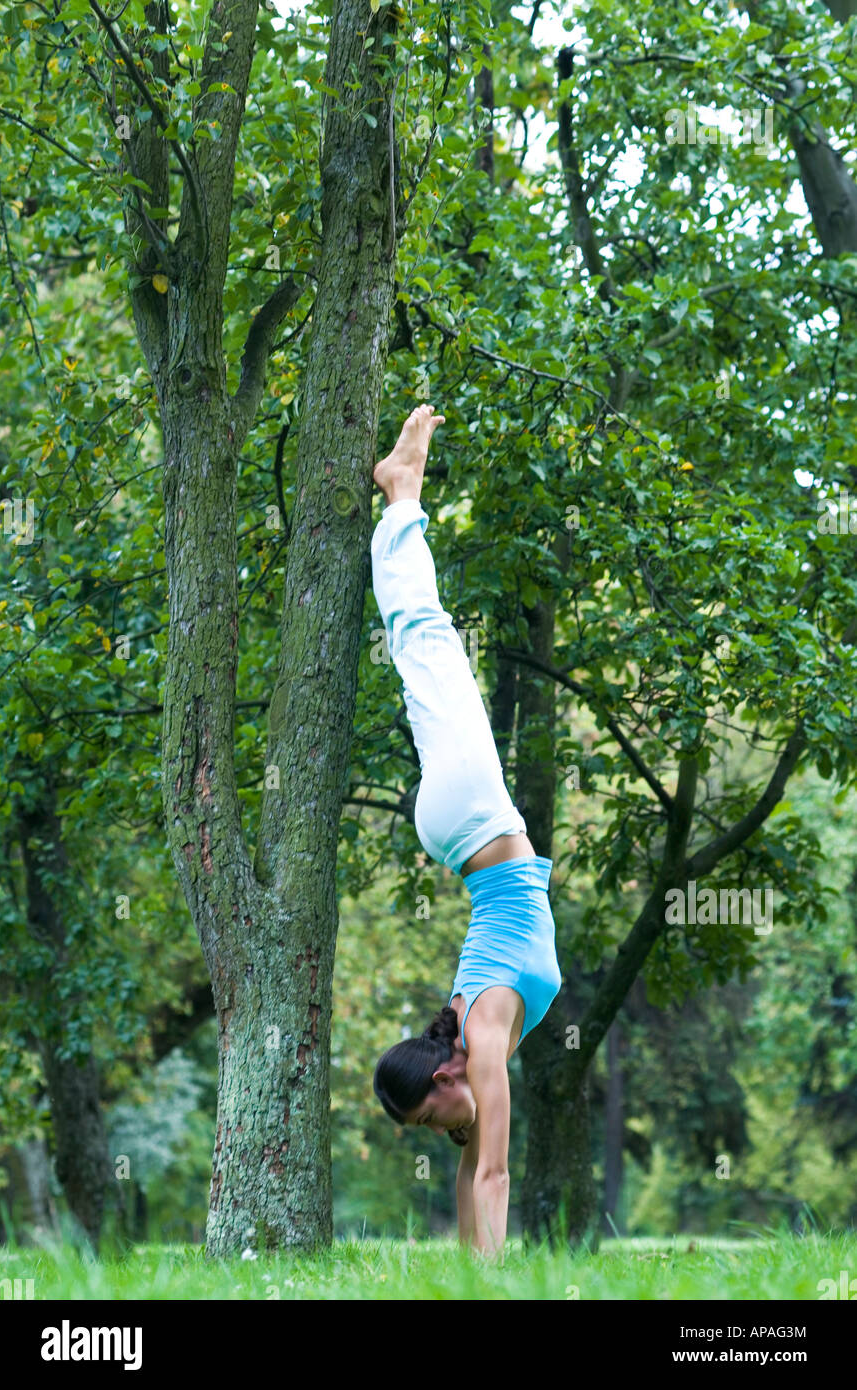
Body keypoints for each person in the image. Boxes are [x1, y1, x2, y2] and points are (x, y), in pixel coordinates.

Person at [370, 404, 562, 1256]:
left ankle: (401, 494)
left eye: (425, 1113)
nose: (432, 1126)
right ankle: (400, 500)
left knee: (428, 642)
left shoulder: (479, 1030)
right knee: (423, 654)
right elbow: (476, 1166)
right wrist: (473, 1279)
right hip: (466, 827)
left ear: (445, 1075)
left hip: (473, 815)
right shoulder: (471, 1038)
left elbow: (497, 1178)